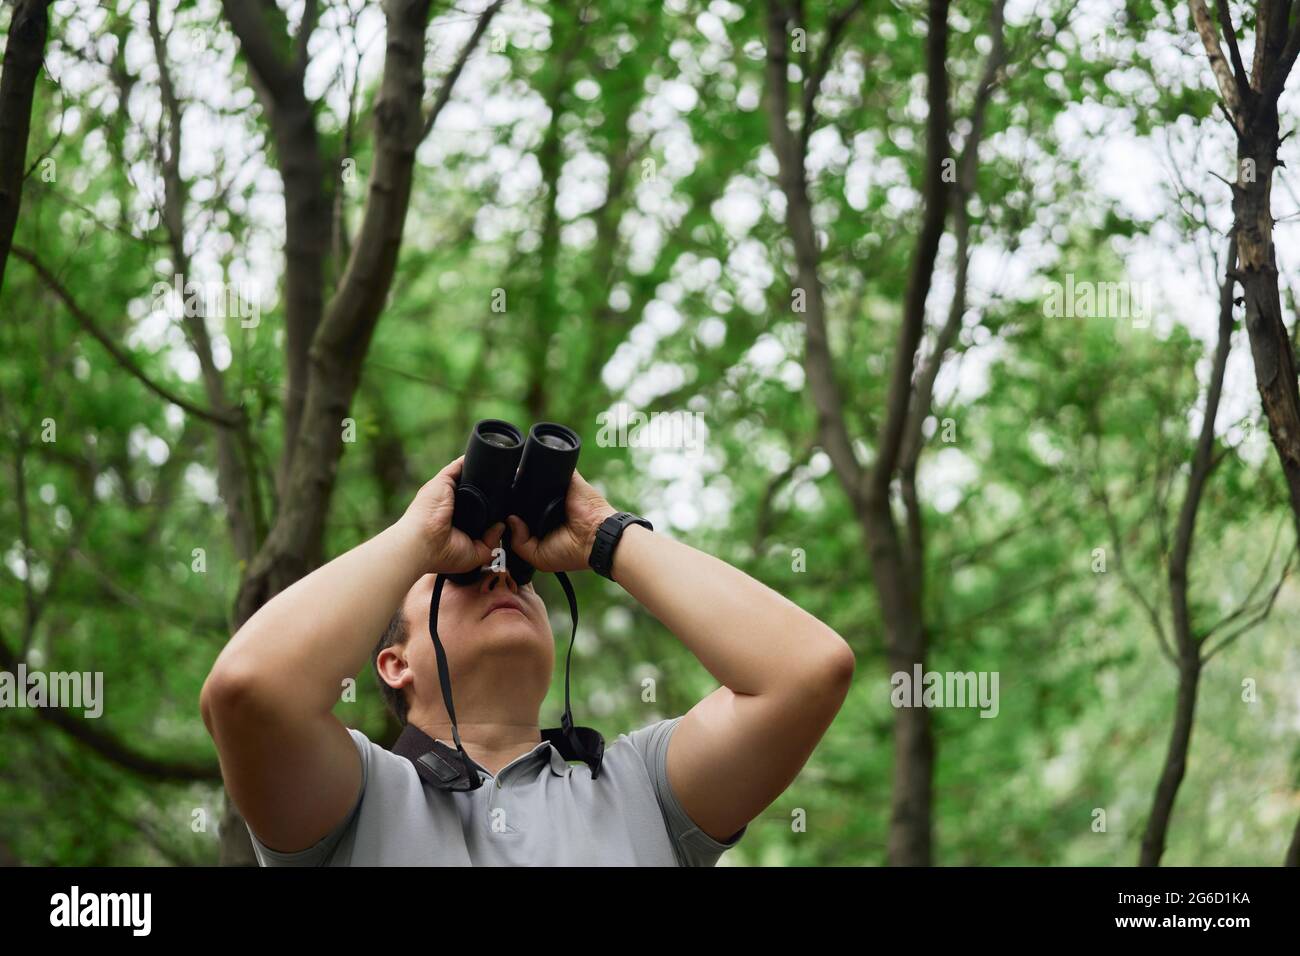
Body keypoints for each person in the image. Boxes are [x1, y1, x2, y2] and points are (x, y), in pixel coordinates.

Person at [200, 456, 855, 865]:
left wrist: (606, 534)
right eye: (455, 578)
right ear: (394, 662)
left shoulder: (642, 790)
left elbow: (807, 669)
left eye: (521, 576)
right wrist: (416, 539)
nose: (501, 579)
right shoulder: (357, 797)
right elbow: (247, 691)